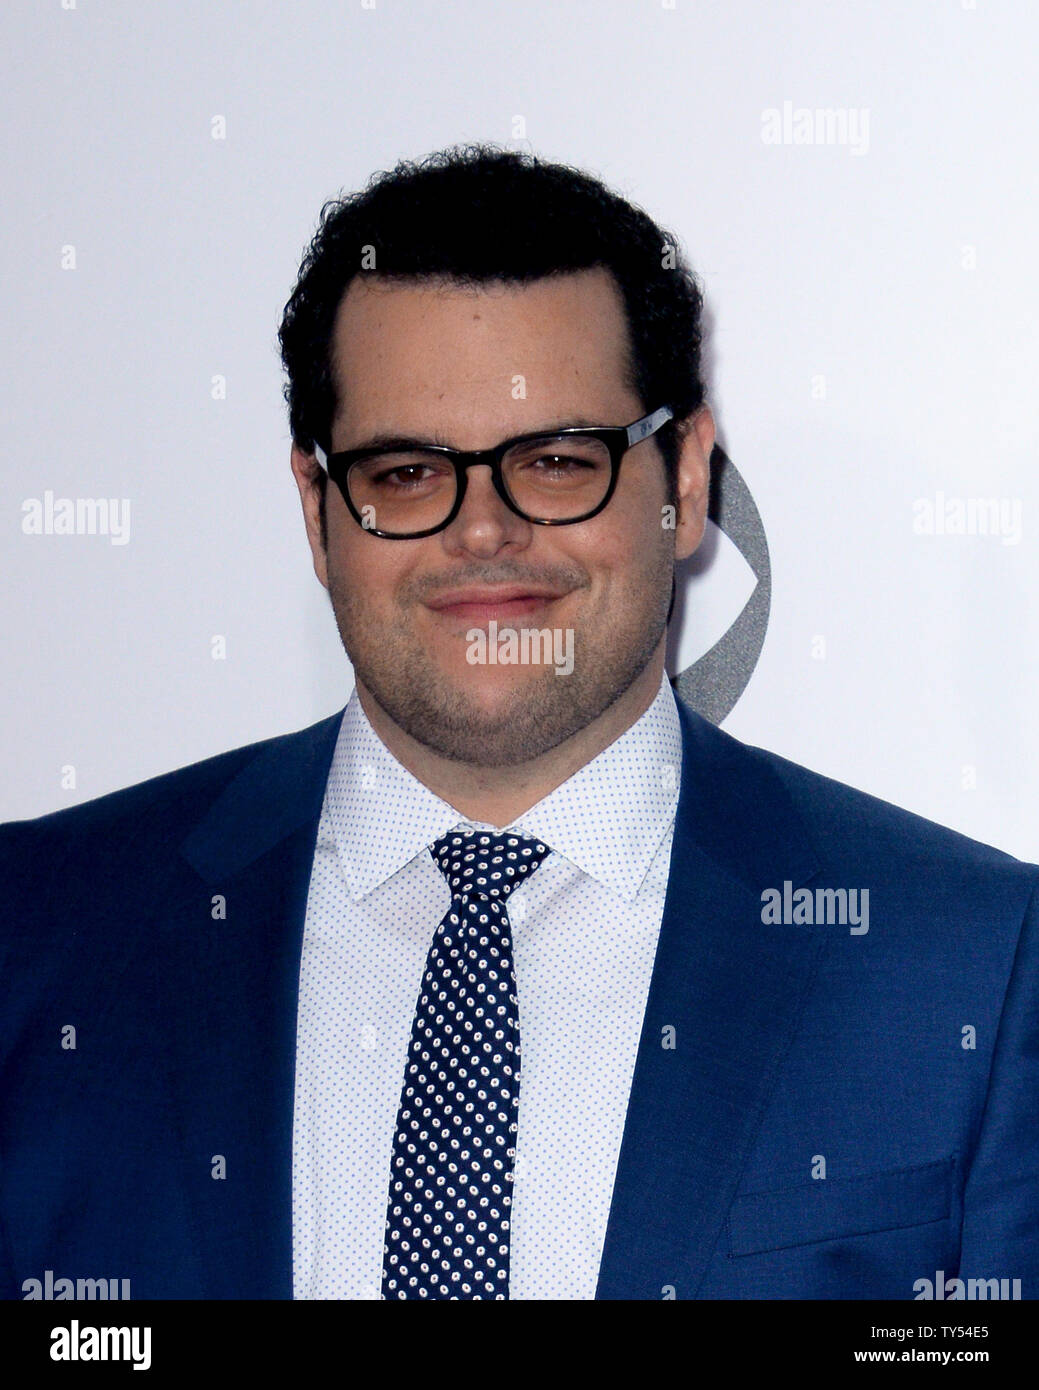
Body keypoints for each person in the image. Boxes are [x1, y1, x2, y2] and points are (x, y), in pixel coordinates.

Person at [2, 145, 1036, 1302]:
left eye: (555, 461)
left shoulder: (969, 967)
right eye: (404, 472)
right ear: (317, 507)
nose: (482, 532)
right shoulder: (39, 934)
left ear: (685, 480)